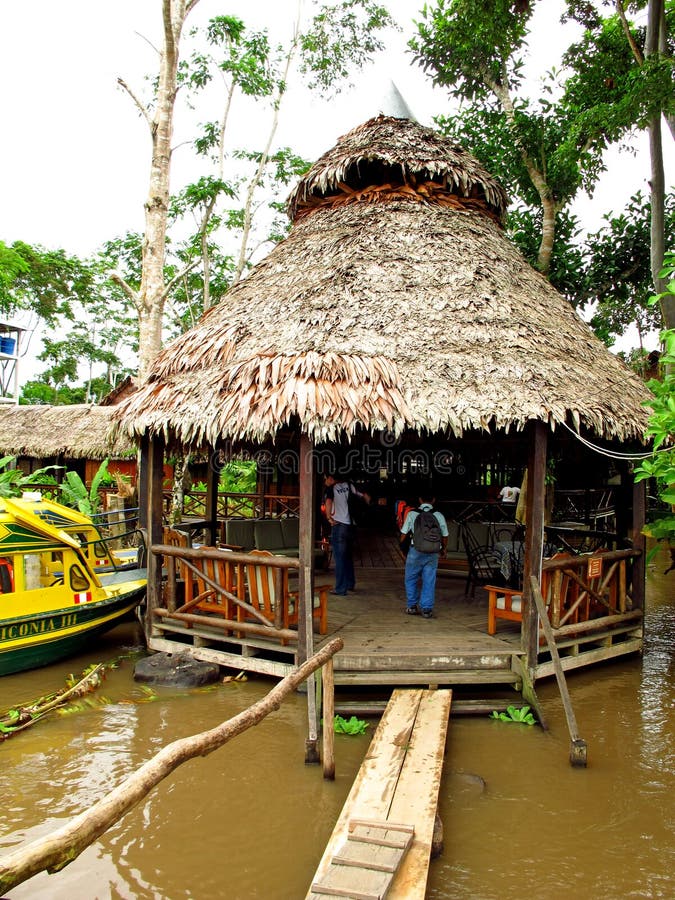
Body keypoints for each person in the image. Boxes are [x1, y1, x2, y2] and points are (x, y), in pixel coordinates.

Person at [400, 492, 448, 618]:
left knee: (411, 578)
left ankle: (412, 606)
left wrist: (402, 548)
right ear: (433, 500)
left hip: (415, 550)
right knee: (429, 580)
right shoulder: (438, 515)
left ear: (420, 500)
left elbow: (404, 533)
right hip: (433, 552)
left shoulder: (412, 514)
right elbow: (445, 535)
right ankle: (426, 609)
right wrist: (443, 549)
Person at [324, 474, 370, 596]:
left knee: (339, 558)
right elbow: (365, 497)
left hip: (339, 525)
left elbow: (328, 502)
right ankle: (350, 583)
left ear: (331, 478)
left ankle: (340, 588)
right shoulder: (349, 485)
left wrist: (328, 517)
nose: (325, 481)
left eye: (326, 478)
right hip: (351, 525)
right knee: (348, 556)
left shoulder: (331, 488)